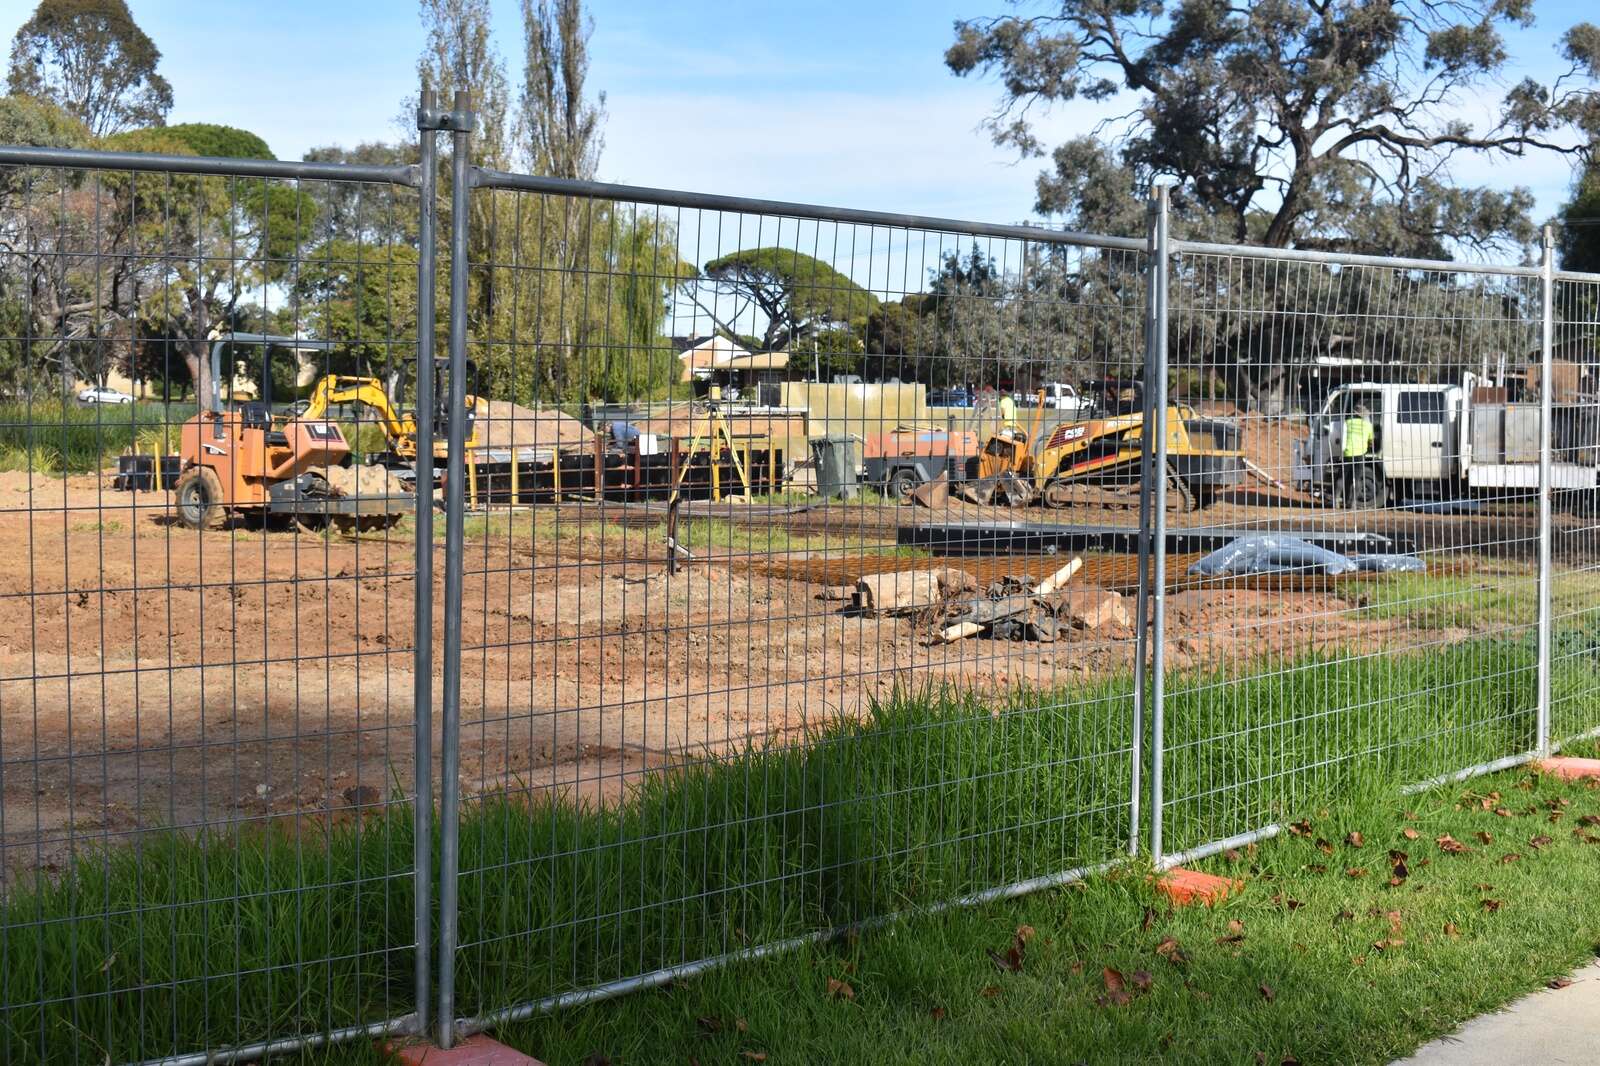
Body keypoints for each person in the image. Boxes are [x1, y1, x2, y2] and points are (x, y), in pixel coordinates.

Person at [1341, 402, 1375, 507]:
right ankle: (1353, 503)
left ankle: (1336, 500)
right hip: (1360, 454)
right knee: (1357, 479)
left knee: (1343, 477)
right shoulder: (1368, 425)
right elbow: (1371, 441)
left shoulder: (1347, 422)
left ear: (1354, 413)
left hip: (1347, 453)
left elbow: (1342, 435)